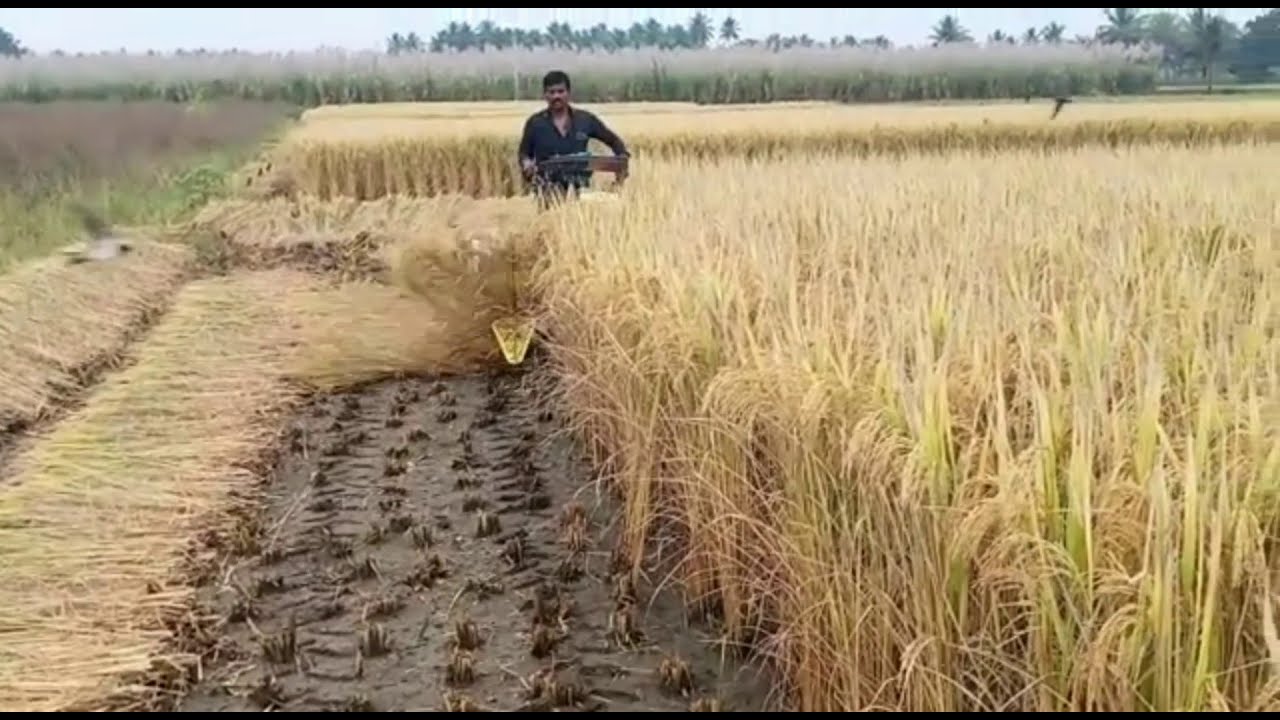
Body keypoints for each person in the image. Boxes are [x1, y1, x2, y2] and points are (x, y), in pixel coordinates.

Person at [517, 70, 629, 199]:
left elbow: (614, 141)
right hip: (546, 193)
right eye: (551, 92)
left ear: (569, 93)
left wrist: (622, 159)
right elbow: (524, 153)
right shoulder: (535, 123)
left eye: (560, 91)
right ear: (545, 95)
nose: (556, 96)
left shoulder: (585, 120)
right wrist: (526, 164)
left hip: (580, 192)